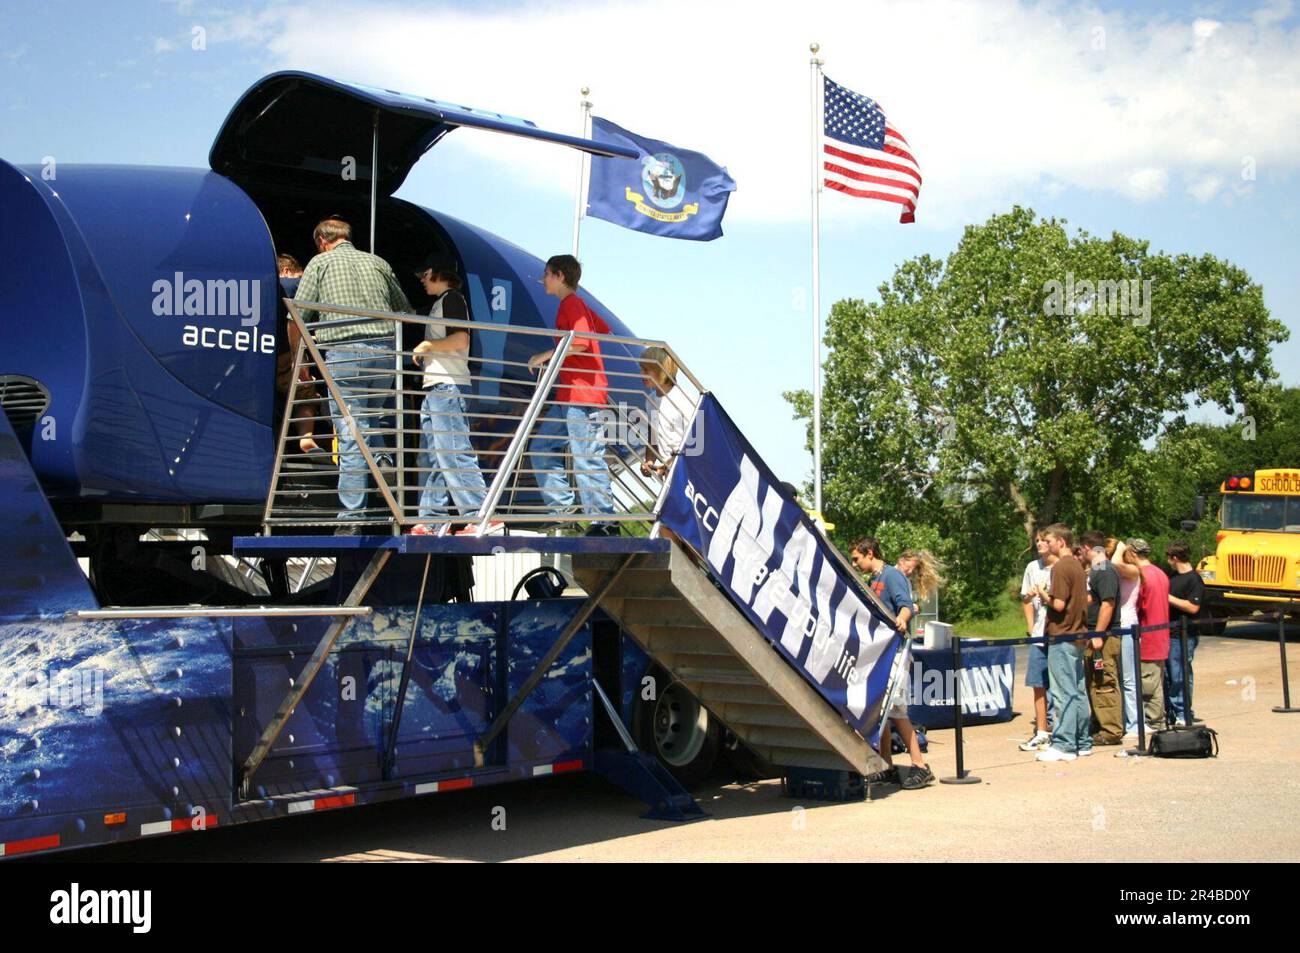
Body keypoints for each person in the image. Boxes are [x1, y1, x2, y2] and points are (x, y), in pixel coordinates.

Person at [293, 218, 412, 530]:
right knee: (371, 418)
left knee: (350, 433)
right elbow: (404, 309)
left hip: (345, 353)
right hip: (385, 354)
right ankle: (382, 459)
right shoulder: (378, 262)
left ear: (322, 241)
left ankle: (352, 516)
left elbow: (298, 315)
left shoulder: (320, 263)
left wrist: (299, 358)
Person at [408, 254, 500, 537]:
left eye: (424, 274)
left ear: (437, 273)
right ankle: (431, 520)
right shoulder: (442, 302)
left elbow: (461, 339)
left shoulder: (453, 299)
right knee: (436, 457)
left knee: (452, 452)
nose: (421, 280)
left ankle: (481, 515)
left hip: (447, 386)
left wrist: (428, 345)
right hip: (436, 387)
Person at [526, 255, 616, 537]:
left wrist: (546, 355)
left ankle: (605, 521)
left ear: (560, 276)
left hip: (582, 394)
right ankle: (564, 511)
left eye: (546, 274)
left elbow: (582, 342)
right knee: (541, 448)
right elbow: (603, 329)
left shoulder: (572, 305)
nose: (543, 279)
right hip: (569, 395)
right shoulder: (578, 306)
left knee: (586, 456)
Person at [848, 537, 933, 790]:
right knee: (882, 712)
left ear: (870, 553)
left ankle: (920, 766)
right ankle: (886, 766)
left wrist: (903, 619)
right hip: (883, 655)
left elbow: (905, 605)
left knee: (896, 711)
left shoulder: (892, 576)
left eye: (856, 558)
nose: (855, 564)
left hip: (897, 653)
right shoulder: (874, 580)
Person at [1037, 523, 1090, 762]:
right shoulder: (1078, 565)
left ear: (1061, 542)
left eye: (1049, 541)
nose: (1046, 545)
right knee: (1078, 690)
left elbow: (1058, 604)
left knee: (1062, 692)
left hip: (1062, 634)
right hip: (1078, 634)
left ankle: (1065, 745)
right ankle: (1083, 741)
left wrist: (1044, 595)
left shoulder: (1060, 567)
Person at [1080, 530, 1123, 746]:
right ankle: (1098, 724)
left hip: (1105, 637)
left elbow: (1108, 604)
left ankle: (1111, 731)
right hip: (1094, 635)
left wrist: (1098, 634)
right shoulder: (1096, 570)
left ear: (1087, 548)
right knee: (1095, 682)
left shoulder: (1105, 570)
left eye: (1081, 550)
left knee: (1104, 681)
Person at [1017, 530, 1054, 751]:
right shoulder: (1032, 567)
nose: (1039, 543)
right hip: (1039, 633)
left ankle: (1065, 729)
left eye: (1044, 540)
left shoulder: (1062, 566)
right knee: (1037, 683)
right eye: (1037, 540)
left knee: (1062, 683)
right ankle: (1041, 731)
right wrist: (1031, 628)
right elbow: (1026, 600)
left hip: (1059, 633)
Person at [1129, 537, 1170, 732]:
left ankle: (1153, 722)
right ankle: (1156, 721)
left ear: (1133, 553)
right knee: (1156, 682)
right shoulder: (1160, 573)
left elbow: (1137, 606)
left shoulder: (1141, 576)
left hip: (1147, 637)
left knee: (1148, 686)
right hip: (1161, 635)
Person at [1165, 539, 1204, 726]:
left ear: (1174, 558)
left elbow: (1193, 607)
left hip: (1184, 634)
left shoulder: (1194, 579)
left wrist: (1168, 598)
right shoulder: (1172, 576)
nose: (1168, 562)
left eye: (1168, 558)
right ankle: (1173, 711)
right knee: (1169, 675)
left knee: (1180, 674)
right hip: (1168, 632)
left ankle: (1183, 712)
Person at [636, 345, 690, 479]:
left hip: (688, 471)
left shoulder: (684, 400)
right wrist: (649, 461)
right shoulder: (650, 401)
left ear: (661, 370)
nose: (641, 374)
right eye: (641, 369)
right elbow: (653, 436)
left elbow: (695, 442)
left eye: (646, 370)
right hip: (670, 473)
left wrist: (668, 465)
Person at [1109, 538, 1143, 739]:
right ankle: (1122, 720)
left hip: (1128, 624)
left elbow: (1114, 563)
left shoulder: (1132, 570)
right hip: (1116, 626)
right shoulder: (1115, 570)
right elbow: (1099, 568)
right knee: (1118, 677)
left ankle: (1135, 724)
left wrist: (1120, 547)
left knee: (1129, 678)